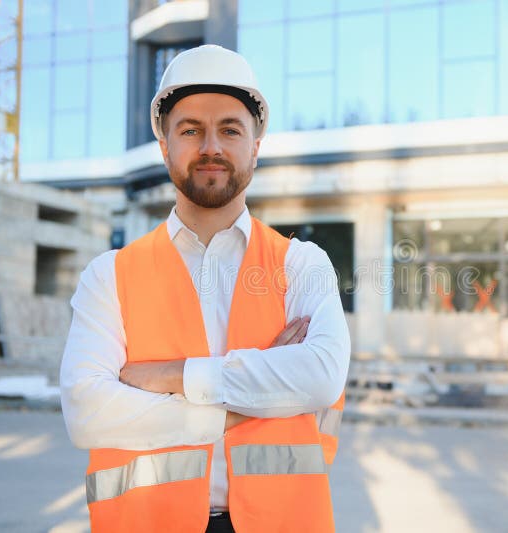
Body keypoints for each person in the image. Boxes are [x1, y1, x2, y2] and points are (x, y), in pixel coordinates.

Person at [59, 44, 350, 533]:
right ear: (165, 146)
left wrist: (172, 375)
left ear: (255, 145)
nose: (210, 145)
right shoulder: (109, 275)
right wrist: (232, 412)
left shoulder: (302, 264)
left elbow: (320, 375)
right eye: (190, 129)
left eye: (230, 129)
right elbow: (87, 411)